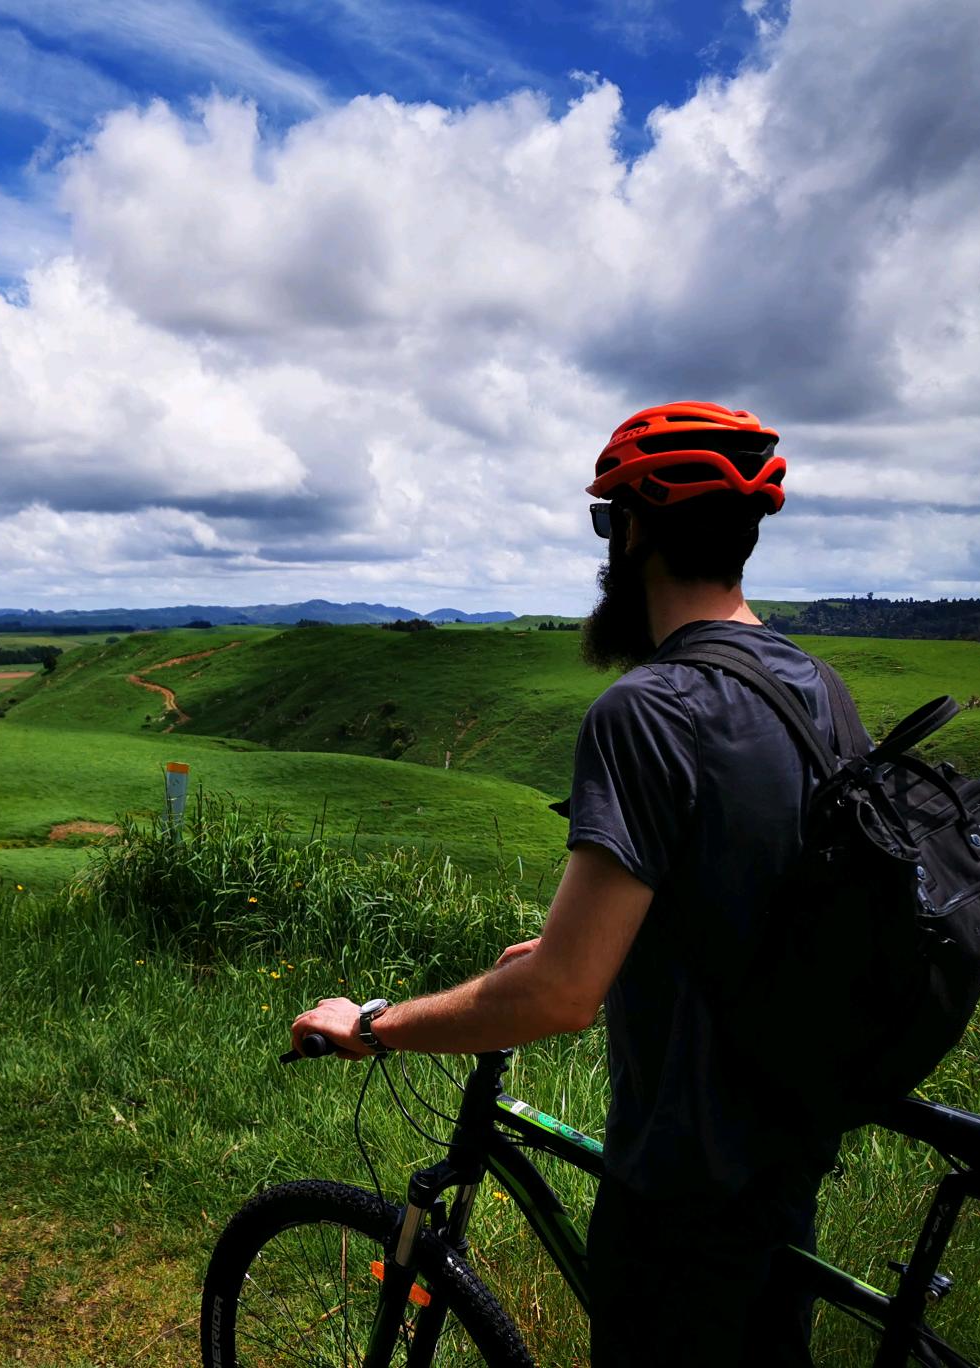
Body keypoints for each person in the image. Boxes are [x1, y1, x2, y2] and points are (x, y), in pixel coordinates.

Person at [290, 401, 842, 1367]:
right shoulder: (818, 693)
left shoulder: (650, 710)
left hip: (678, 1194)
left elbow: (559, 998)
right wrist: (575, 948)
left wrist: (373, 1026)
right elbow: (744, 901)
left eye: (607, 522)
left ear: (633, 531)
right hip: (785, 1164)